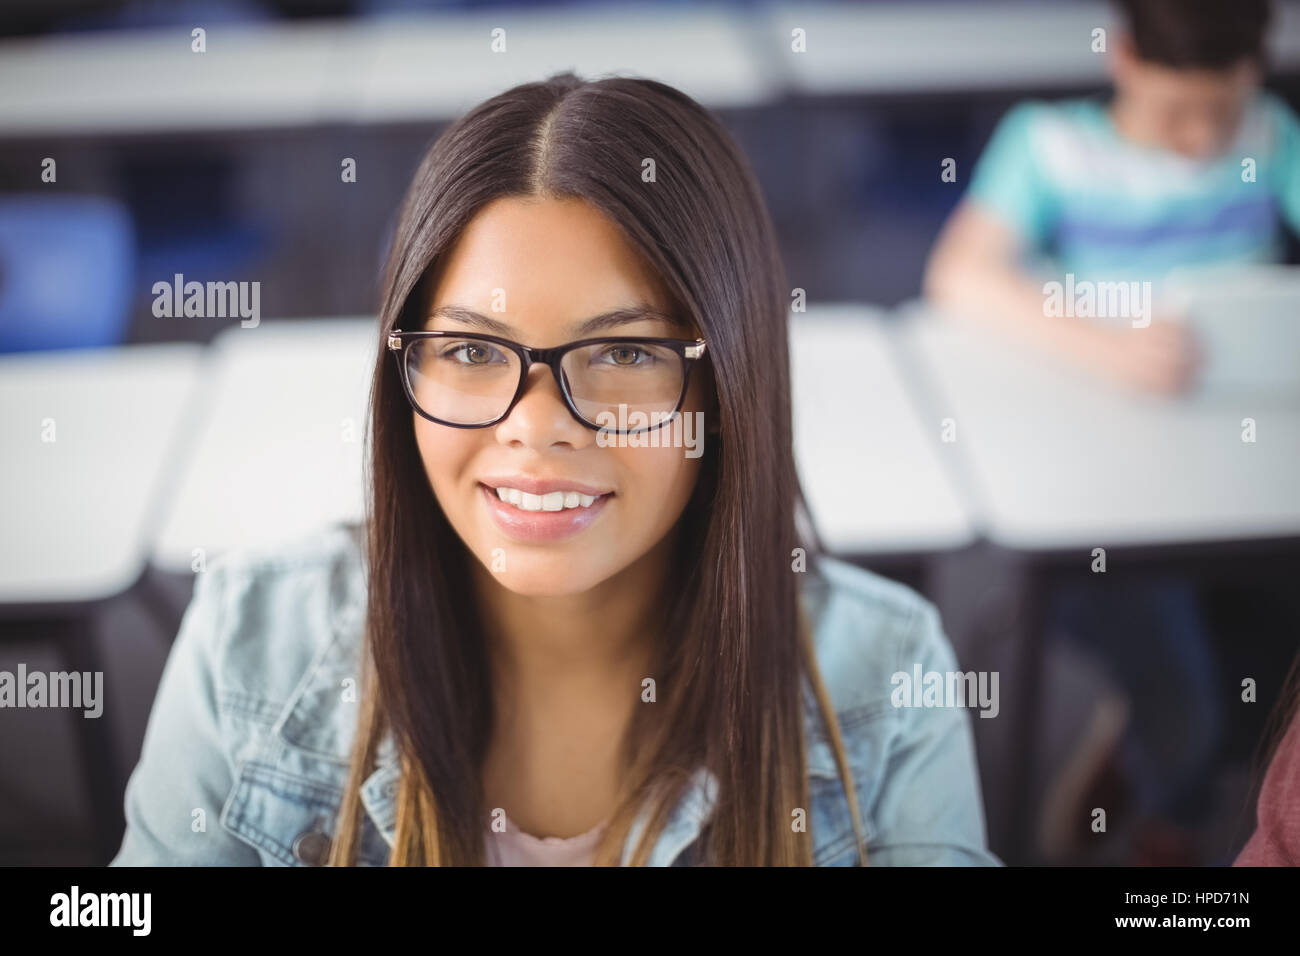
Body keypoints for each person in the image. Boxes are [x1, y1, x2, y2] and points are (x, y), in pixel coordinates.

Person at [110, 73, 999, 866]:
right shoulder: (251, 642)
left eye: (621, 351)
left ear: (727, 387)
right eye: (469, 348)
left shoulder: (887, 675)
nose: (536, 429)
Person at [924, 0, 1299, 861]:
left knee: (1262, 677)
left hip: (1236, 472)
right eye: (1176, 114)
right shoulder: (1051, 145)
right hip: (1104, 485)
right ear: (1123, 59)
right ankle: (1164, 828)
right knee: (1187, 700)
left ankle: (1165, 760)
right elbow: (958, 274)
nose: (1202, 140)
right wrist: (1104, 342)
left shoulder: (1272, 137)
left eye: (1223, 111)